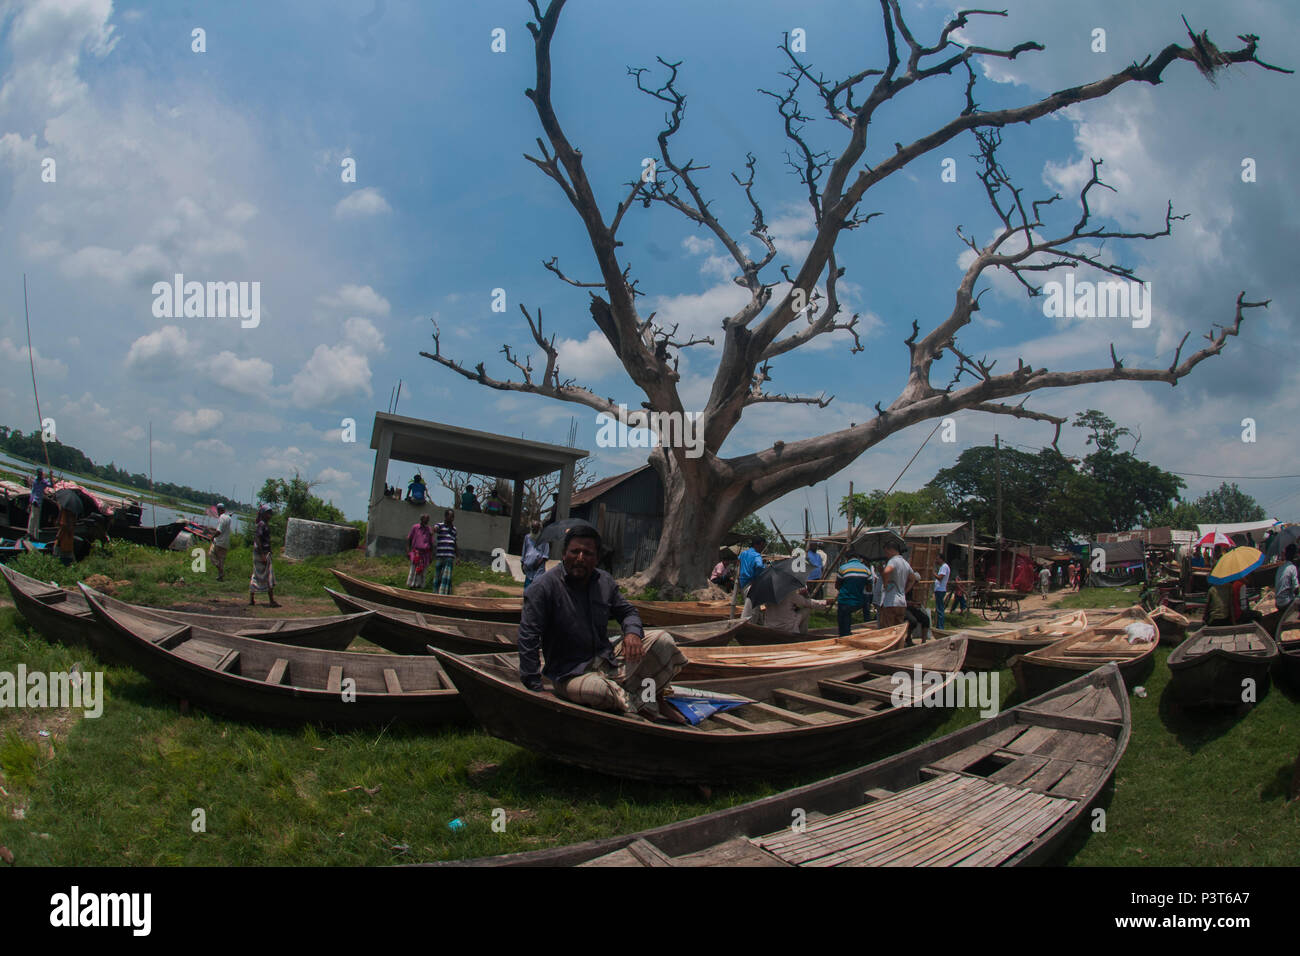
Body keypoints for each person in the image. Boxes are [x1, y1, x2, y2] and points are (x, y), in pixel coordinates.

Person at [518, 525, 686, 723]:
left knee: (663, 641)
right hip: (569, 673)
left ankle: (652, 696)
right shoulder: (543, 587)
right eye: (575, 552)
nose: (580, 558)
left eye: (587, 553)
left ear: (596, 558)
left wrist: (632, 633)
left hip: (607, 660)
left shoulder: (604, 581)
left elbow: (627, 612)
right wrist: (534, 687)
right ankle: (641, 703)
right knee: (598, 692)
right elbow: (528, 637)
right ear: (564, 554)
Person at [880, 541, 918, 631]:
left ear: (891, 550)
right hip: (901, 602)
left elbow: (887, 571)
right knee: (898, 630)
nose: (886, 555)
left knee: (888, 629)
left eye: (886, 552)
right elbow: (913, 579)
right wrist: (905, 591)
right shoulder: (905, 563)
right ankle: (899, 645)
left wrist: (885, 584)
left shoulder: (893, 561)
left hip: (891, 601)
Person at [249, 505, 279, 607]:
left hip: (263, 552)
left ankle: (252, 599)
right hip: (261, 553)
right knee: (268, 576)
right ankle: (270, 600)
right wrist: (262, 554)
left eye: (270, 513)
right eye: (268, 513)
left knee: (257, 574)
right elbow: (258, 539)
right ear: (263, 514)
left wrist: (269, 550)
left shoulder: (263, 524)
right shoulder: (262, 525)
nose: (269, 515)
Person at [834, 558, 872, 636]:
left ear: (847, 558)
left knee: (843, 622)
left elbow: (837, 586)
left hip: (844, 600)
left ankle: (844, 636)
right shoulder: (866, 570)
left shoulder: (843, 568)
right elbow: (869, 589)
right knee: (848, 616)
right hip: (858, 601)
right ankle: (848, 634)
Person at [737, 536, 766, 620]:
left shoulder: (744, 553)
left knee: (751, 606)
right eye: (763, 546)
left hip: (743, 583)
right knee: (751, 609)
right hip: (752, 583)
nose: (762, 548)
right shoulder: (756, 555)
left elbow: (738, 561)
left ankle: (757, 623)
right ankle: (747, 626)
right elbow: (759, 565)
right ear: (759, 544)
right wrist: (760, 573)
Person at [431, 509, 458, 594]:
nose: (451, 519)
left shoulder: (454, 529)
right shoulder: (440, 525)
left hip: (449, 556)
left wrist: (458, 556)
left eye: (452, 517)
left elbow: (455, 543)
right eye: (450, 516)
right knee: (438, 575)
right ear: (446, 516)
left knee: (446, 576)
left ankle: (443, 593)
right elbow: (435, 529)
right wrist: (433, 530)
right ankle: (435, 592)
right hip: (440, 555)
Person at [406, 513, 434, 589]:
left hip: (425, 554)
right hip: (416, 552)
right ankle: (410, 584)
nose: (427, 521)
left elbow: (431, 543)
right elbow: (409, 538)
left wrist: (431, 555)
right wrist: (408, 551)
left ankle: (420, 585)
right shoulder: (415, 527)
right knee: (413, 569)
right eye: (425, 519)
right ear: (421, 519)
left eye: (428, 520)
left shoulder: (429, 529)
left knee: (423, 571)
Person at [522, 519, 549, 590]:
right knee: (527, 590)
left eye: (536, 528)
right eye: (533, 528)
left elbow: (545, 556)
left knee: (536, 590)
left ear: (539, 529)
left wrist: (536, 564)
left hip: (538, 570)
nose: (534, 530)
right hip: (528, 570)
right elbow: (524, 551)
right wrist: (522, 564)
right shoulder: (527, 537)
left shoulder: (544, 540)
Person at [209, 503, 232, 581]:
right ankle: (220, 576)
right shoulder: (228, 517)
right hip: (226, 543)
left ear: (218, 510)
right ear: (224, 510)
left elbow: (219, 531)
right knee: (221, 560)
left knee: (211, 555)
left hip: (219, 542)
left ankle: (221, 571)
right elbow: (228, 517)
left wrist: (212, 537)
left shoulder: (221, 518)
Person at [1275, 544, 1299, 616]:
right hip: (1286, 603)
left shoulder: (1281, 567)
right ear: (1295, 555)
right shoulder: (1292, 567)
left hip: (1278, 602)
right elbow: (1296, 589)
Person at [27, 468, 51, 539]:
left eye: (40, 473)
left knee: (36, 519)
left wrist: (51, 475)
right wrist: (30, 502)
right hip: (35, 501)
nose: (39, 475)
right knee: (33, 518)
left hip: (39, 502)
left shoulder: (44, 482)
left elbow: (51, 485)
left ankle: (34, 535)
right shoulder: (35, 481)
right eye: (39, 473)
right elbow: (33, 492)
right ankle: (30, 533)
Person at [933, 557, 951, 630]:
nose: (936, 560)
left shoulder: (944, 567)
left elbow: (940, 577)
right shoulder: (944, 567)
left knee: (940, 609)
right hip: (940, 590)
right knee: (939, 608)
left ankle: (940, 627)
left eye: (937, 559)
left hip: (940, 590)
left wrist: (933, 573)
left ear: (941, 559)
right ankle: (938, 626)